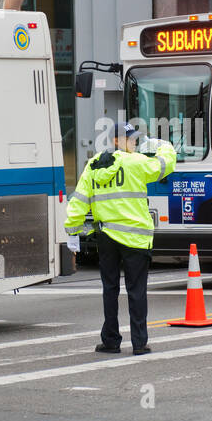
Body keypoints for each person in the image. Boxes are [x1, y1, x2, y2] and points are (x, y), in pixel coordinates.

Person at [65, 123, 176, 356]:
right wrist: (162, 144)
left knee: (110, 289)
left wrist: (73, 231)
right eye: (130, 139)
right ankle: (139, 343)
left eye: (135, 139)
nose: (134, 143)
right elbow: (165, 165)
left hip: (106, 237)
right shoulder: (136, 162)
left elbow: (79, 200)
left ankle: (111, 340)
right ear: (116, 141)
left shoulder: (94, 165)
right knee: (136, 291)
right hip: (135, 238)